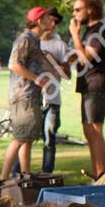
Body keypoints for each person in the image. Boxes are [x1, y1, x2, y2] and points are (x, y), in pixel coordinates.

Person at [0, 7, 57, 181]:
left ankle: (26, 177)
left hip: (30, 96)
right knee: (19, 139)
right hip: (23, 96)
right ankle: (2, 181)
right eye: (48, 17)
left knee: (27, 139)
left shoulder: (34, 40)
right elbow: (14, 64)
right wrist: (37, 79)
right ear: (40, 21)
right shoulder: (24, 39)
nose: (51, 20)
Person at [70, 0, 105, 180]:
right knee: (88, 130)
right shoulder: (88, 31)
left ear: (90, 9)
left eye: (78, 9)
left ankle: (101, 173)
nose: (75, 14)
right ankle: (97, 173)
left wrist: (74, 35)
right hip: (87, 85)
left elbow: (86, 57)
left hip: (97, 84)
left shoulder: (100, 30)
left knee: (95, 130)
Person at [37, 9, 72, 174]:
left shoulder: (60, 46)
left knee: (49, 138)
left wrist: (53, 61)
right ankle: (19, 172)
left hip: (52, 99)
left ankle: (46, 173)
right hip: (34, 98)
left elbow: (67, 75)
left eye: (55, 23)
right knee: (25, 139)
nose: (52, 25)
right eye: (49, 20)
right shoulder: (33, 42)